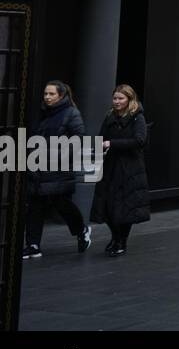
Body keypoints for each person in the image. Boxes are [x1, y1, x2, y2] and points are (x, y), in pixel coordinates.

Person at [24, 81, 92, 258]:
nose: (47, 97)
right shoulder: (42, 113)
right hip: (37, 167)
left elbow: (79, 138)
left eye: (51, 94)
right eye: (45, 94)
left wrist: (58, 155)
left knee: (62, 205)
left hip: (58, 168)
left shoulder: (71, 113)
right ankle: (32, 245)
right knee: (35, 206)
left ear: (61, 95)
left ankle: (81, 230)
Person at [91, 84, 151, 256]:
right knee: (107, 205)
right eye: (115, 98)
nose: (116, 102)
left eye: (121, 98)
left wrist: (112, 143)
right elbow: (101, 137)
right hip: (110, 166)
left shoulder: (137, 118)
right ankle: (115, 237)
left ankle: (121, 241)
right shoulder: (110, 116)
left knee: (125, 208)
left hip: (129, 168)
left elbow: (140, 140)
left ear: (129, 100)